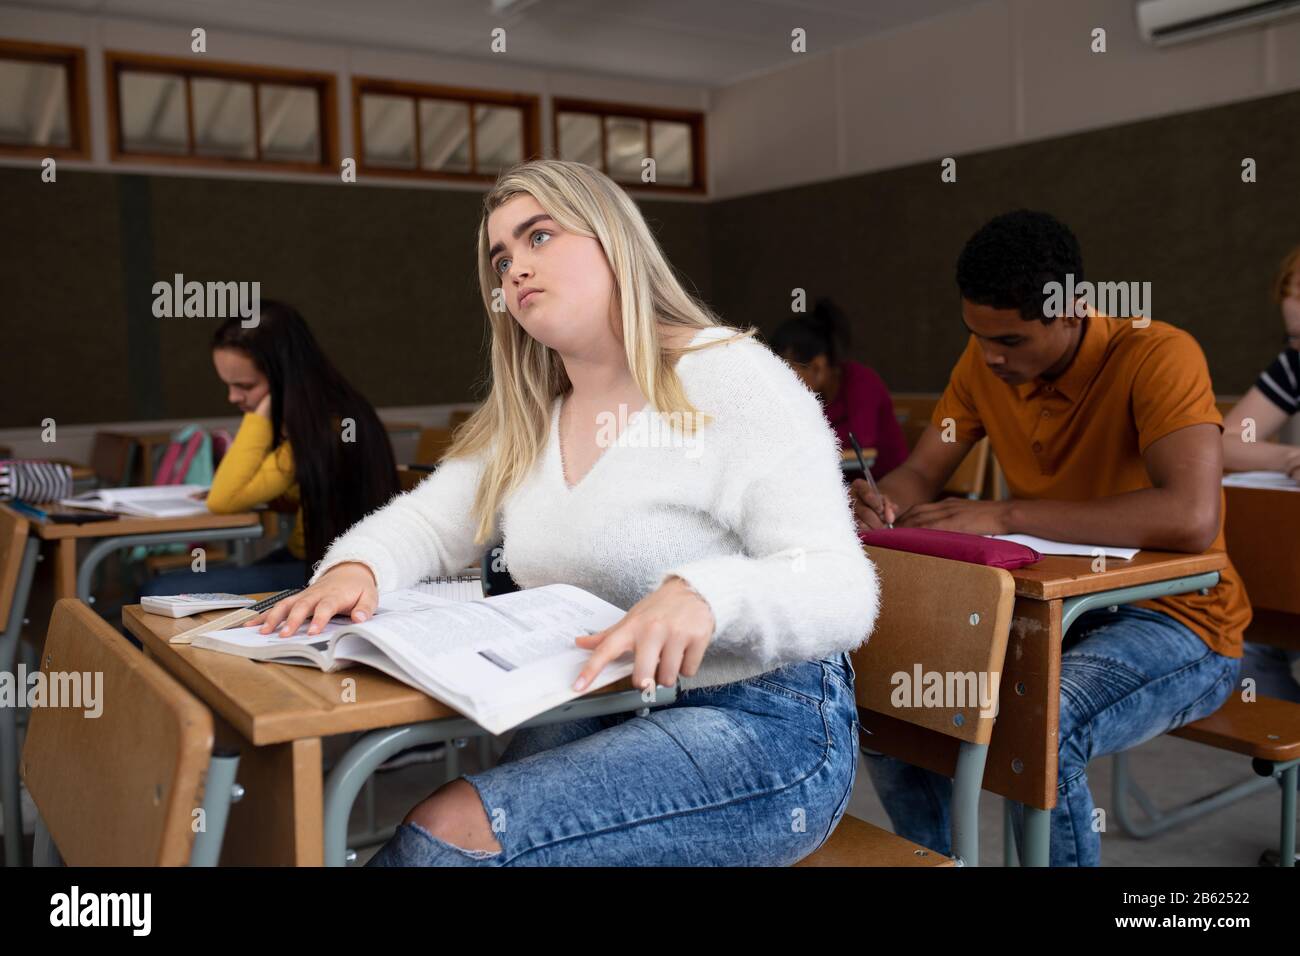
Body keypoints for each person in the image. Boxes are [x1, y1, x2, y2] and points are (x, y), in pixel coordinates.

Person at [257, 159, 878, 866]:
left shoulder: (730, 375)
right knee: (453, 830)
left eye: (540, 236)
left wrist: (705, 595)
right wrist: (358, 567)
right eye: (502, 256)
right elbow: (430, 521)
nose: (515, 268)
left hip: (766, 721)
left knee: (448, 834)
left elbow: (840, 584)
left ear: (614, 242)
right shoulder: (534, 417)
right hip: (615, 699)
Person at [851, 210, 1250, 866]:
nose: (989, 357)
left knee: (1041, 724)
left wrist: (1009, 517)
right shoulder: (986, 364)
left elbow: (1190, 515)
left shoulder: (1157, 354)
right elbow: (925, 469)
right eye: (975, 336)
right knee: (893, 700)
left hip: (1182, 623)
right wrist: (882, 500)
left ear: (1071, 312)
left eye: (1008, 339)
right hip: (1055, 611)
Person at [142, 301, 400, 596]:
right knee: (171, 586)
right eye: (228, 385)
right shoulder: (321, 416)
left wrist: (259, 415)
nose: (233, 397)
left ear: (283, 378)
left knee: (157, 589)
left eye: (246, 386)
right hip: (308, 560)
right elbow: (295, 490)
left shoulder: (326, 429)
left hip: (332, 571)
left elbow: (223, 501)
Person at [1224, 245, 1300, 703]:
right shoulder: (1294, 367)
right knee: (1240, 646)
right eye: (1294, 339)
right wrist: (1288, 458)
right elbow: (1222, 442)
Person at [771, 299, 909, 479]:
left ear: (817, 367)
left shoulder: (861, 381)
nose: (780, 382)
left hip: (887, 490)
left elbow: (861, 439)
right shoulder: (809, 400)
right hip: (848, 493)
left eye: (786, 372)